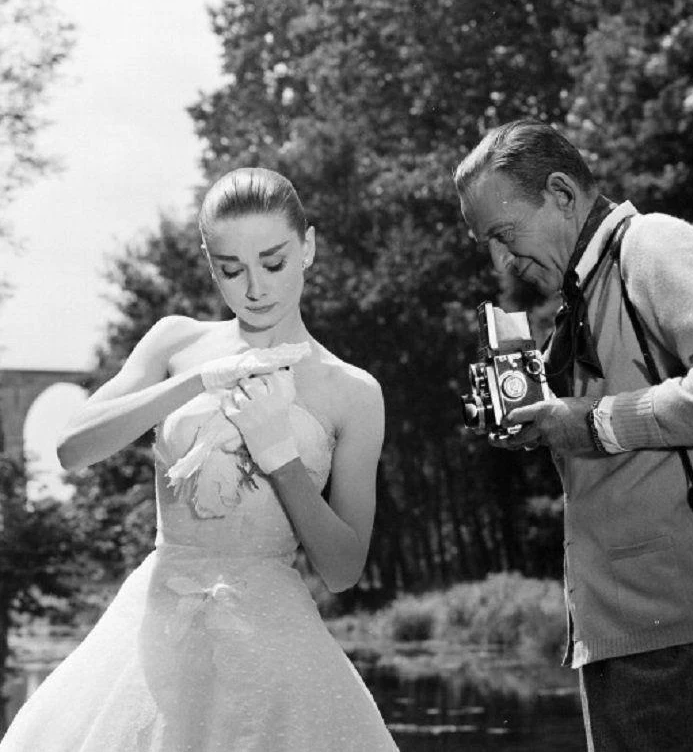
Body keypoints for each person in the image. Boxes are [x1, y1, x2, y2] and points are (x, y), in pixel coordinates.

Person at [0, 168, 399, 751]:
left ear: (308, 247)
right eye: (232, 269)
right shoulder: (174, 342)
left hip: (275, 648)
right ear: (210, 264)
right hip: (154, 630)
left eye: (274, 261)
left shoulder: (354, 392)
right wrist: (193, 381)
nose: (255, 287)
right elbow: (72, 448)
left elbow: (342, 570)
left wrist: (280, 456)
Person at [454, 118, 693, 751]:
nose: (501, 260)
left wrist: (592, 421)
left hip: (687, 634)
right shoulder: (583, 291)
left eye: (504, 235)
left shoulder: (653, 245)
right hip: (622, 633)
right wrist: (546, 427)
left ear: (561, 192)